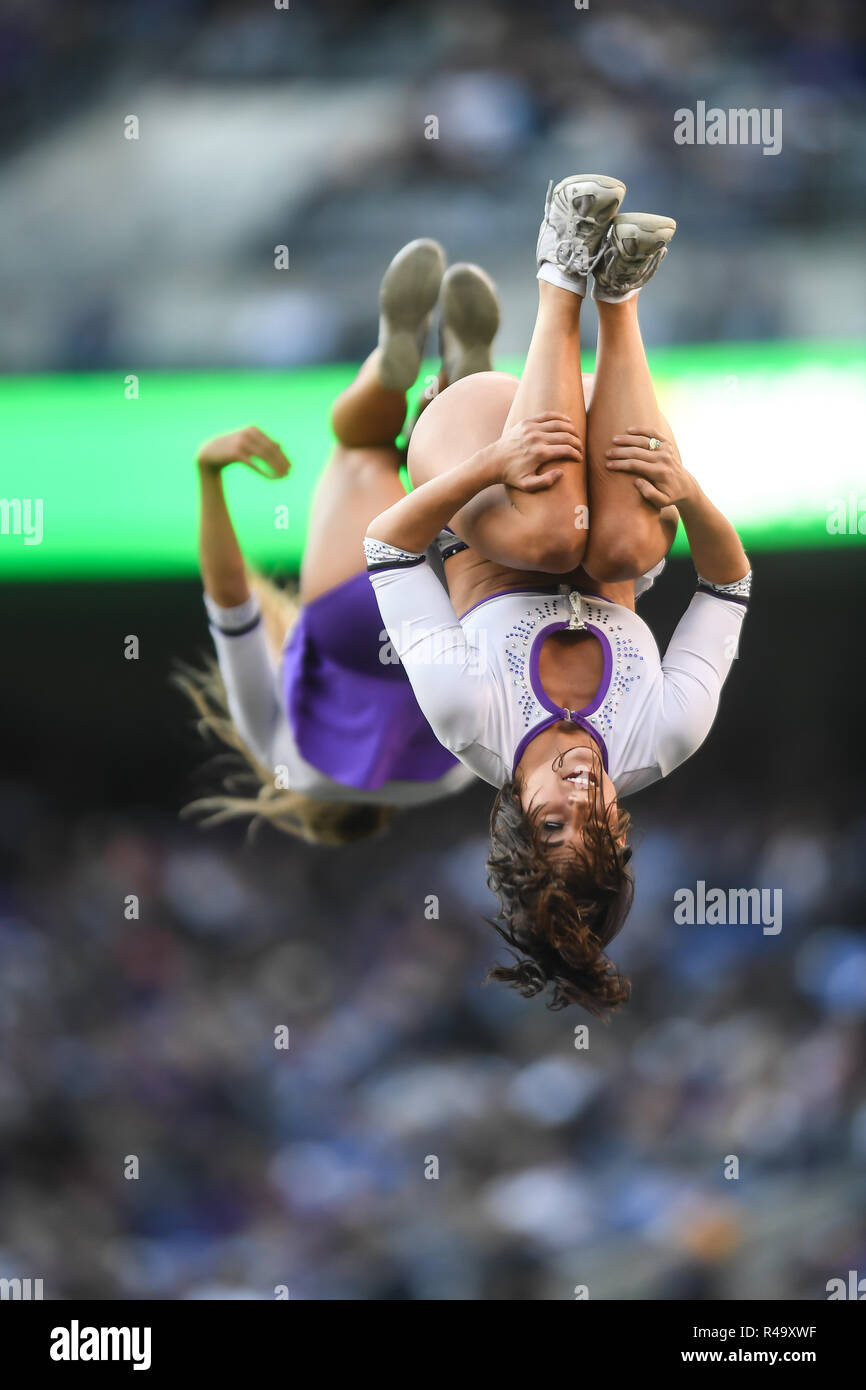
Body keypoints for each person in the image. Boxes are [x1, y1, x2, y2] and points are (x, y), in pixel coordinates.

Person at [364, 175, 752, 1014]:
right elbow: (730, 583)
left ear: (514, 820)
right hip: (595, 438)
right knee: (625, 546)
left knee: (549, 537)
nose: (579, 801)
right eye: (601, 829)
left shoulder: (470, 714)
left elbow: (389, 549)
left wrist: (485, 469)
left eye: (552, 827)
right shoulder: (665, 732)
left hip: (482, 445)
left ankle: (560, 268)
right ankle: (620, 297)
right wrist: (687, 492)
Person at [179, 240, 500, 845]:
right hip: (350, 623)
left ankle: (463, 398)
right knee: (361, 452)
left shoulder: (450, 781)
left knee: (460, 474)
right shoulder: (280, 753)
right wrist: (209, 473)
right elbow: (232, 605)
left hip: (452, 623)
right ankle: (388, 367)